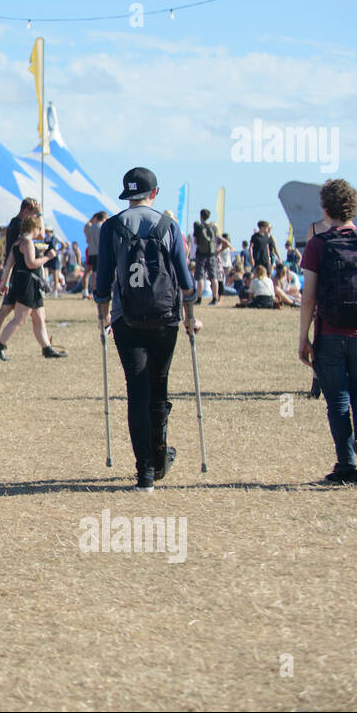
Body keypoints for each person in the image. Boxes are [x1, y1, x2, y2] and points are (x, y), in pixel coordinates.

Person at [95, 167, 199, 491]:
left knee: (136, 392)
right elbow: (185, 280)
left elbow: (102, 282)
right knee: (159, 387)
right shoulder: (170, 227)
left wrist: (103, 317)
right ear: (155, 193)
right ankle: (158, 455)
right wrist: (190, 315)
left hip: (126, 321)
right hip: (164, 319)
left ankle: (145, 473)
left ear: (126, 195)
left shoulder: (111, 227)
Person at [298, 179, 357, 483]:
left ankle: (346, 464)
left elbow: (308, 296)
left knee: (337, 399)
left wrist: (304, 337)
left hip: (329, 333)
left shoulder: (317, 244)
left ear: (325, 209)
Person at [0, 215, 67, 359]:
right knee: (20, 319)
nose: (42, 232)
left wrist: (5, 282)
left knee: (39, 317)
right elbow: (31, 264)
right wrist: (48, 257)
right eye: (41, 228)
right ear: (35, 228)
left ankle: (47, 349)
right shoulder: (27, 243)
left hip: (26, 282)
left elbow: (9, 264)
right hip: (27, 284)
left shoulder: (17, 243)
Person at [0, 198, 39, 357]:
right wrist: (6, 279)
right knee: (9, 311)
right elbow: (14, 252)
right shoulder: (19, 225)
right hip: (17, 273)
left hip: (13, 271)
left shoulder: (14, 223)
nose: (37, 217)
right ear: (28, 209)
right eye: (36, 213)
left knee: (7, 309)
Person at [192, 208, 227, 305]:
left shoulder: (198, 227)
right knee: (213, 277)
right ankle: (215, 298)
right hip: (212, 254)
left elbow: (195, 241)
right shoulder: (213, 227)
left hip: (201, 254)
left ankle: (199, 299)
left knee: (200, 277)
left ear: (201, 216)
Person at [82, 211, 108, 300]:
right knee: (96, 273)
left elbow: (86, 235)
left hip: (91, 252)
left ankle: (90, 290)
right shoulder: (102, 227)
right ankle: (96, 290)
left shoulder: (90, 227)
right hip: (99, 252)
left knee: (91, 272)